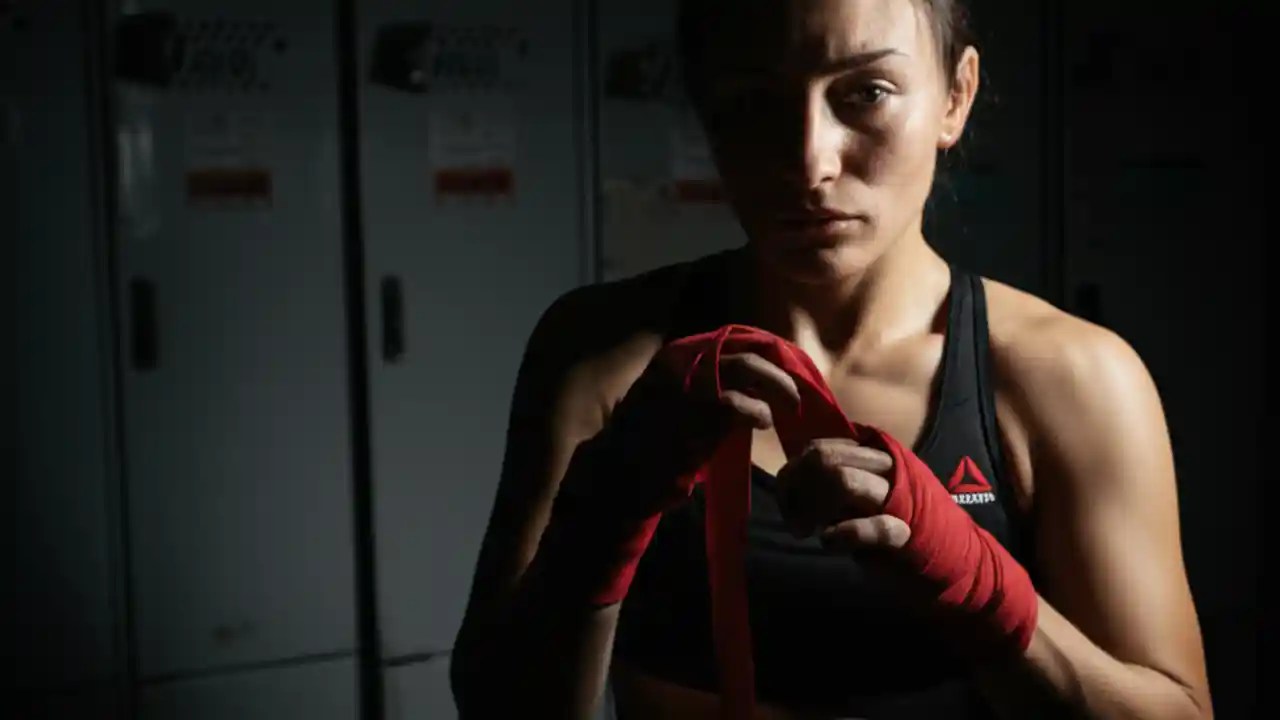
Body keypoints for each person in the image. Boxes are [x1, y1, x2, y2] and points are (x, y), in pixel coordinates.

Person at [450, 0, 1212, 717]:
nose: (809, 161)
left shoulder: (1069, 379)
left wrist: (985, 592)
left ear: (956, 95)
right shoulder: (602, 359)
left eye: (867, 92)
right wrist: (602, 519)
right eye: (755, 103)